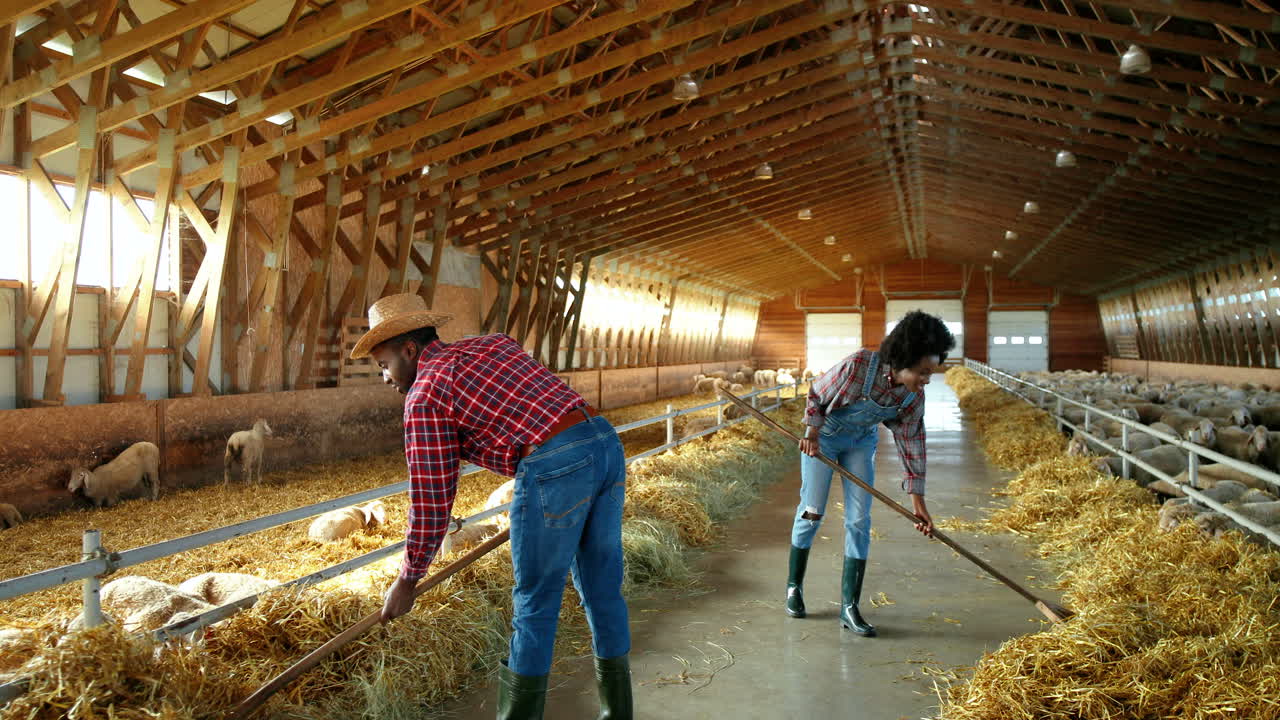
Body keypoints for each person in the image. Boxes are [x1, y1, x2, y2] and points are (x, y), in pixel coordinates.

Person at [350, 293, 632, 720]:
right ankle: (618, 712)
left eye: (385, 364)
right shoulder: (491, 344)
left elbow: (431, 498)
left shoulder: (424, 395)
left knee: (535, 604)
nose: (385, 377)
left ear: (408, 350)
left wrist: (408, 579)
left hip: (555, 464)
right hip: (603, 440)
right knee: (603, 589)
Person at [785, 310, 956, 636]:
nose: (927, 380)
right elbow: (817, 393)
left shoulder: (912, 397)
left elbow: (912, 444)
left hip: (861, 444)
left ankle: (849, 606)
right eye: (923, 372)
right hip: (825, 439)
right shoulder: (859, 366)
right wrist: (811, 433)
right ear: (904, 359)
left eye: (931, 373)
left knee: (859, 520)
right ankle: (794, 587)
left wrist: (918, 503)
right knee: (811, 512)